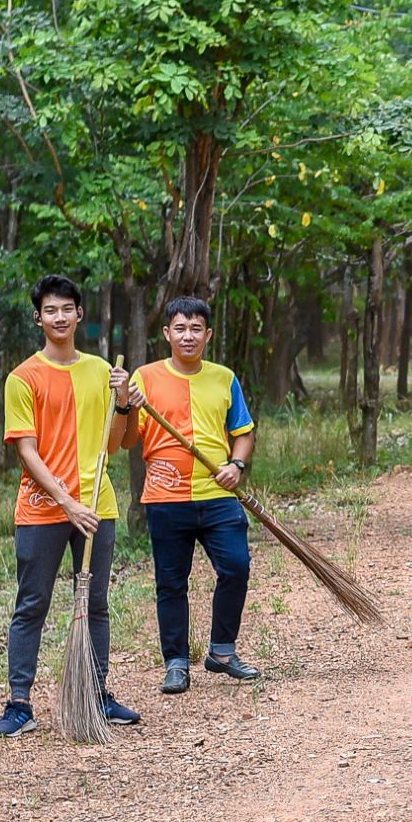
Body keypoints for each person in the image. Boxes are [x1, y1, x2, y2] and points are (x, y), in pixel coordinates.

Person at [0, 275, 143, 738]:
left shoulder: (102, 371)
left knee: (95, 602)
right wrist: (66, 502)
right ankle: (20, 703)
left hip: (97, 503)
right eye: (50, 310)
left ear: (80, 314)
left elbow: (117, 444)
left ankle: (97, 692)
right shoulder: (23, 378)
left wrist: (125, 404)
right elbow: (26, 451)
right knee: (32, 603)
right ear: (38, 317)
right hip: (44, 508)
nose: (59, 317)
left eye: (67, 309)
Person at [122, 297, 260, 694]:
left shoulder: (224, 377)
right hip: (166, 498)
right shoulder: (145, 379)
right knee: (170, 582)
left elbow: (244, 432)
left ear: (208, 335)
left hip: (218, 495)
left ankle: (221, 652)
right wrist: (129, 408)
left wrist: (237, 465)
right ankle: (176, 663)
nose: (188, 336)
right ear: (166, 334)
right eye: (179, 328)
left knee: (236, 567)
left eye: (195, 328)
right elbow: (129, 439)